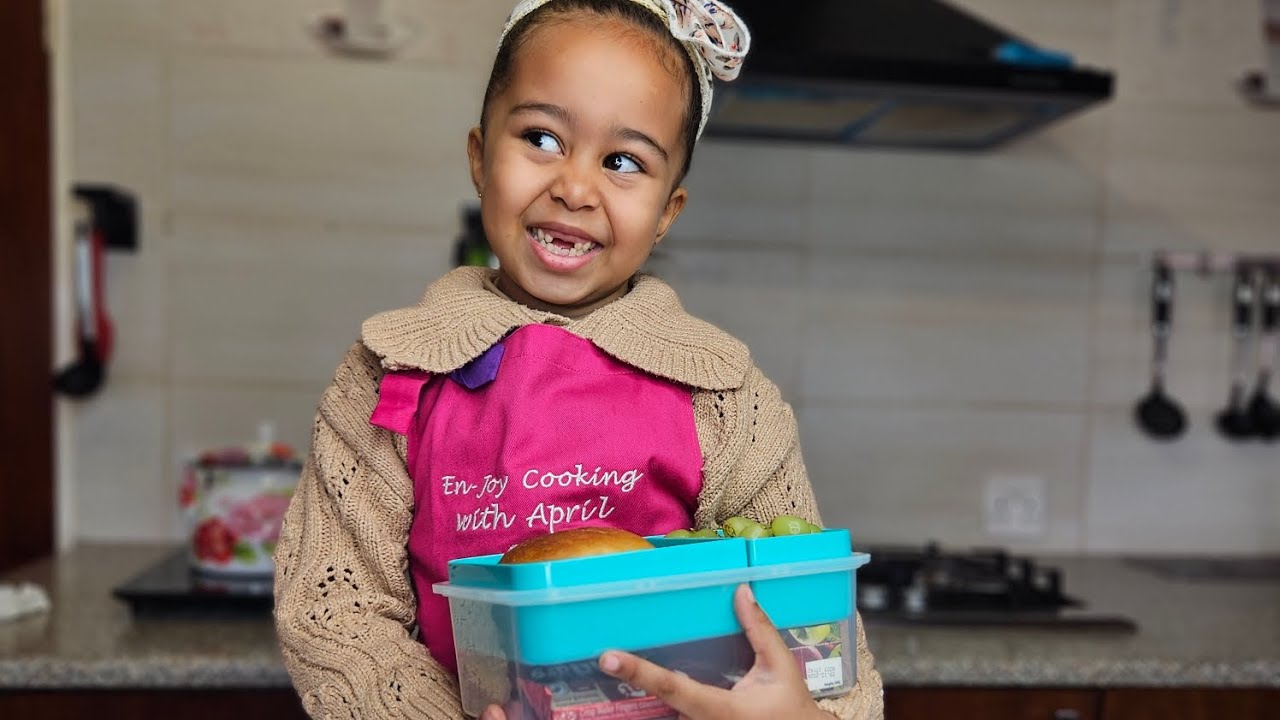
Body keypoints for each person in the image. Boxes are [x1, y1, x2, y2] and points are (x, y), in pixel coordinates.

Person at [272, 0, 884, 718]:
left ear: (666, 212)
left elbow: (809, 629)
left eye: (623, 161)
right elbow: (334, 610)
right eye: (541, 137)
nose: (576, 187)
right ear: (479, 157)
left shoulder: (726, 396)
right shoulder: (390, 374)